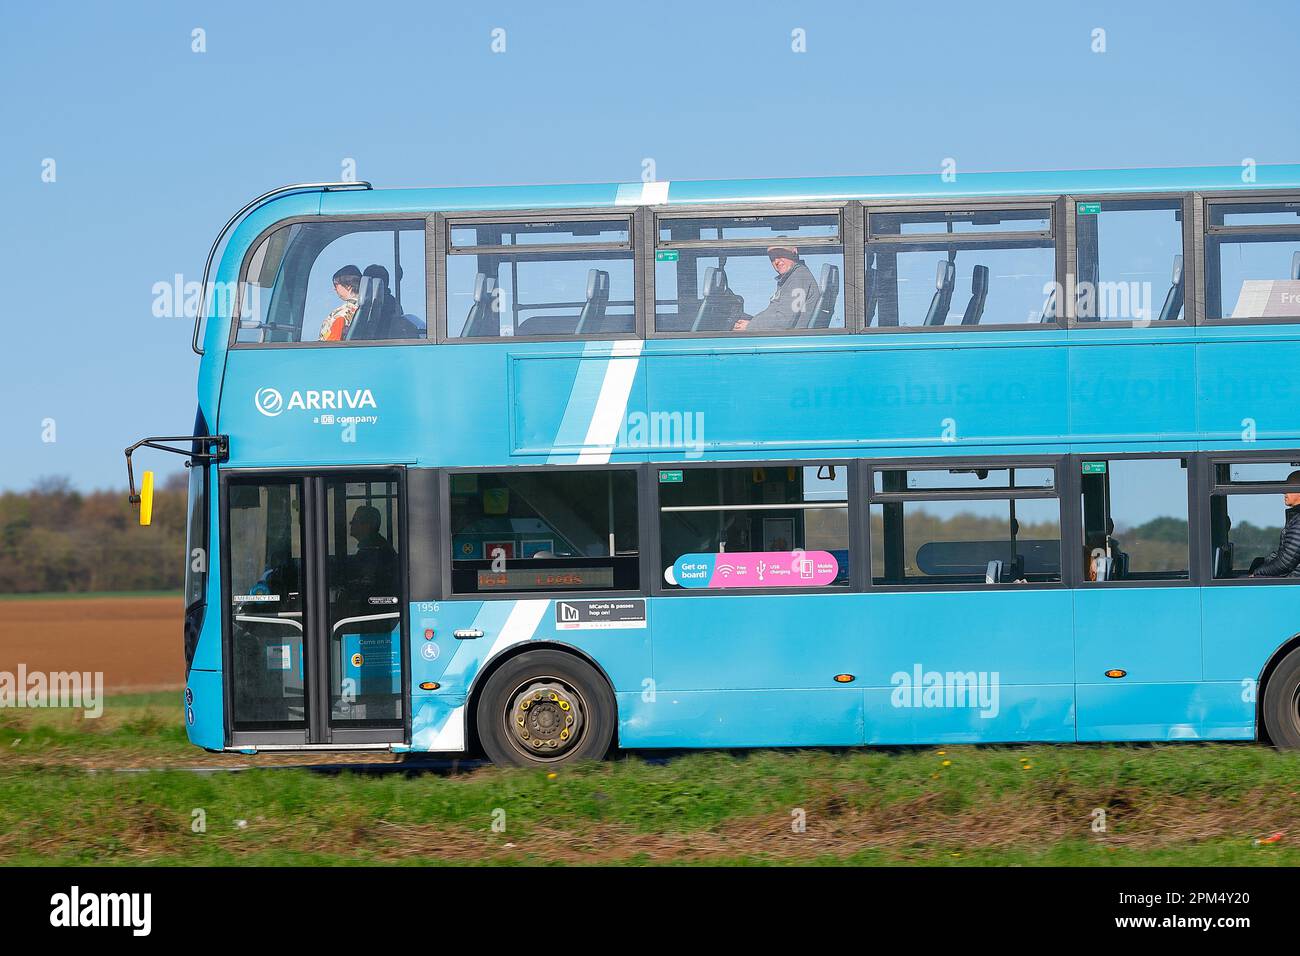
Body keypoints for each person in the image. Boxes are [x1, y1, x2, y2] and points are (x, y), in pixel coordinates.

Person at [733, 246, 821, 332]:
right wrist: (751, 321)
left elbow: (784, 320)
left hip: (787, 340)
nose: (776, 261)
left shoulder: (798, 277)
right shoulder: (790, 279)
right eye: (772, 258)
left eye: (780, 254)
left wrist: (750, 326)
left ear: (794, 252)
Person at [1250, 473, 1300, 577]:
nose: (1284, 492)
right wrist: (1262, 562)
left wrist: (1257, 573)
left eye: (1289, 488)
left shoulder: (1298, 521)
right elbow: (1283, 554)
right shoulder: (1296, 518)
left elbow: (1285, 563)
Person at [346, 505, 398, 592]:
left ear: (367, 525)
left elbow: (367, 582)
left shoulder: (372, 550)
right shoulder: (375, 545)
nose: (350, 523)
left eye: (354, 521)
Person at [318, 265, 363, 341]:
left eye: (336, 285)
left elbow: (332, 343)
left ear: (348, 286)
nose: (334, 289)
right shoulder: (362, 308)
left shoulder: (341, 315)